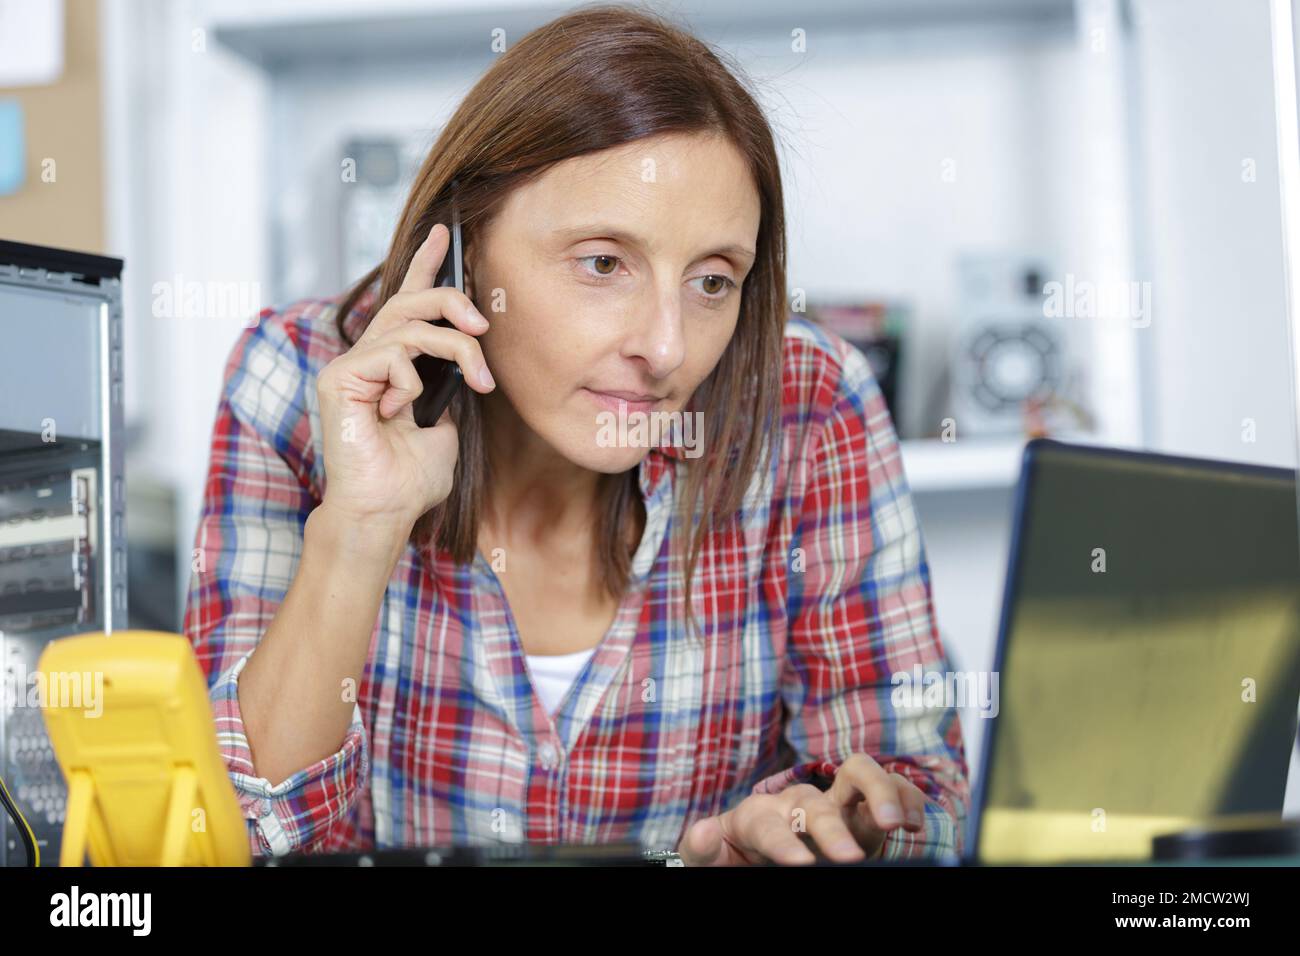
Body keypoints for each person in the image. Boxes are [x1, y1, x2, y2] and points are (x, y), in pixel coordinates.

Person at [183, 4, 969, 865]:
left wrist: (815, 832)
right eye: (603, 264)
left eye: (712, 281)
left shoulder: (808, 404)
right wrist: (360, 527)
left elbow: (918, 794)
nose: (666, 348)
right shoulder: (297, 381)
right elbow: (225, 838)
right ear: (464, 252)